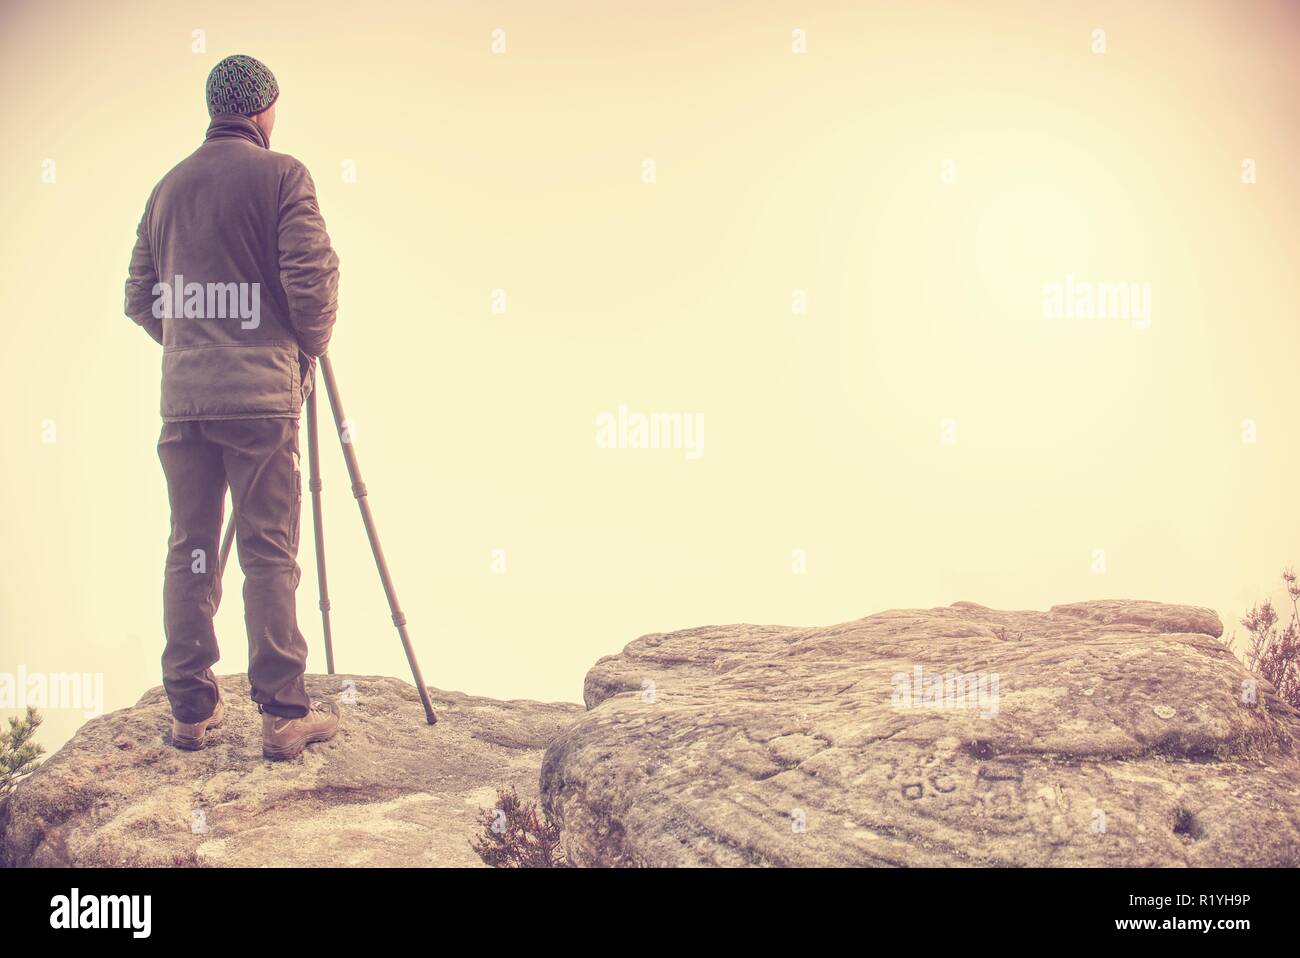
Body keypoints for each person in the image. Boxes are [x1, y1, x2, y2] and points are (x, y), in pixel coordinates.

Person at [124, 54, 341, 760]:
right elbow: (311, 284)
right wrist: (298, 346)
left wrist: (192, 343)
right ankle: (282, 715)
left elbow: (139, 297)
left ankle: (191, 711)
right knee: (269, 551)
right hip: (260, 398)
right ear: (265, 108)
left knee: (189, 547)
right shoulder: (284, 176)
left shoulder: (166, 189)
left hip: (185, 401)